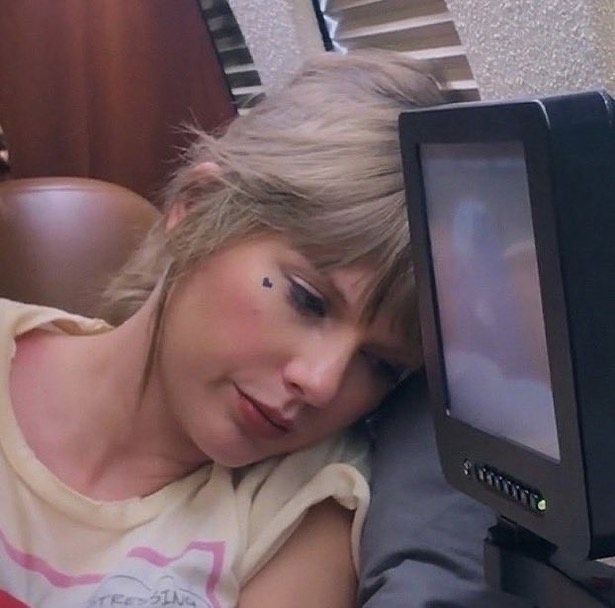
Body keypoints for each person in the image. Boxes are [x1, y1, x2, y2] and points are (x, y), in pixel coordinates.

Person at [0, 50, 444, 607]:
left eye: (380, 365)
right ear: (198, 208)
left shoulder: (305, 505)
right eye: (307, 301)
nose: (323, 383)